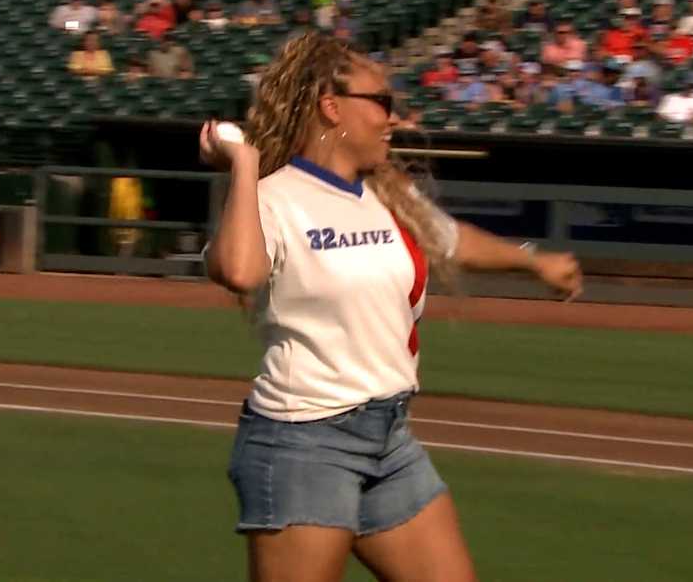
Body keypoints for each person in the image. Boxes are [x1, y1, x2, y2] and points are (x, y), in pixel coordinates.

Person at [198, 32, 581, 582]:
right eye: (382, 102)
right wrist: (244, 163)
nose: (393, 118)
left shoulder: (386, 195)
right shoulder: (274, 198)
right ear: (332, 106)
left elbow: (451, 240)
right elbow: (238, 271)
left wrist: (533, 262)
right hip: (304, 441)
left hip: (389, 437)